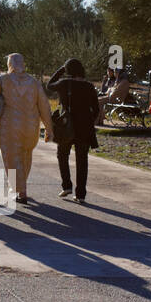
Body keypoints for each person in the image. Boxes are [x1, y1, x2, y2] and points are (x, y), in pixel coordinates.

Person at [0, 53, 52, 204]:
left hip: (10, 126)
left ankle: (20, 192)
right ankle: (19, 187)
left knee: (12, 158)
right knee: (25, 157)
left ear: (10, 64)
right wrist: (49, 128)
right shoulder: (34, 82)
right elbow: (44, 106)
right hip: (31, 127)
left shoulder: (1, 79)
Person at [48, 58, 100, 203]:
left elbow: (49, 85)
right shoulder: (89, 86)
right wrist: (89, 121)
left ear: (68, 70)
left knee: (62, 155)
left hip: (67, 127)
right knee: (82, 160)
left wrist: (61, 70)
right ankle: (81, 194)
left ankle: (67, 186)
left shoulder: (64, 83)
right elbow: (96, 109)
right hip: (84, 128)